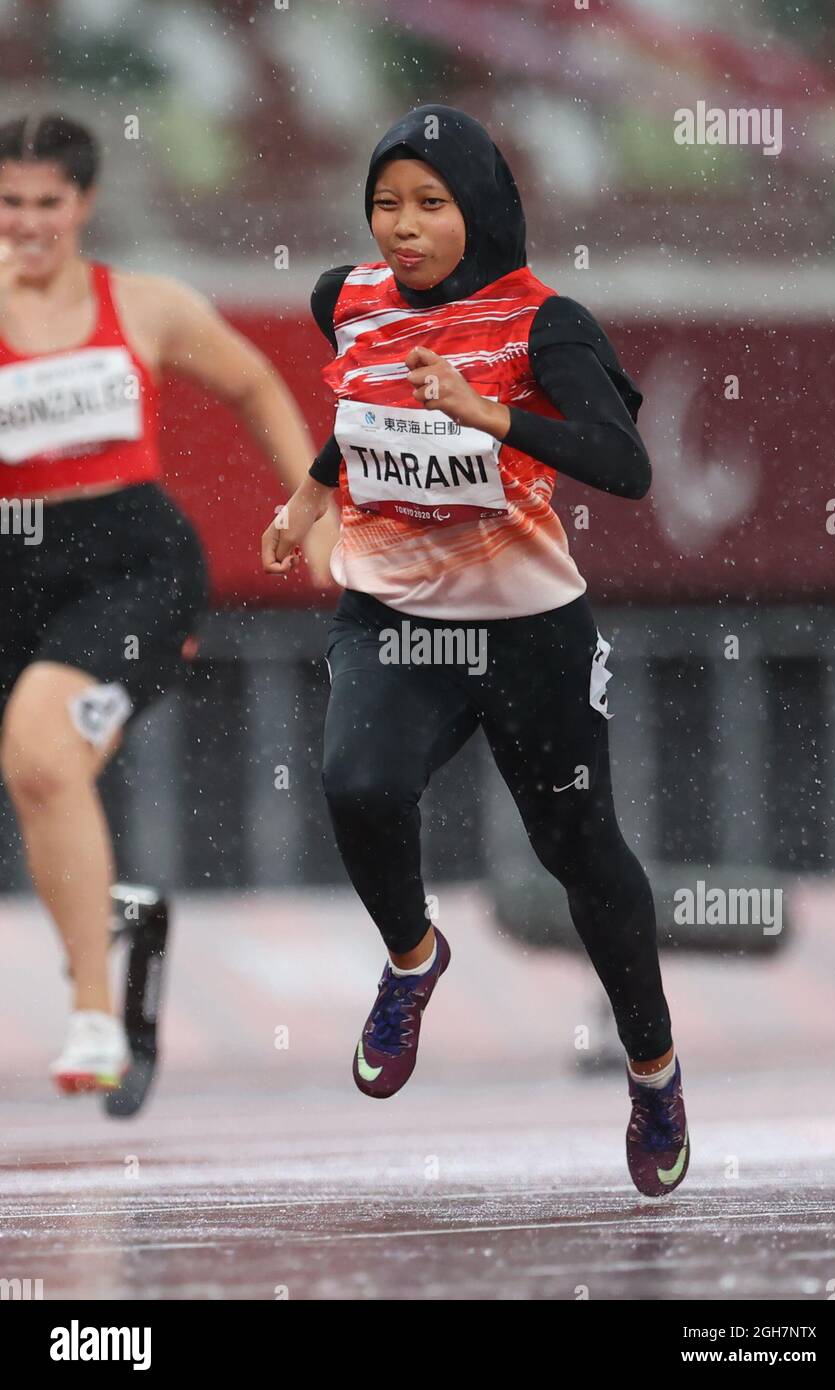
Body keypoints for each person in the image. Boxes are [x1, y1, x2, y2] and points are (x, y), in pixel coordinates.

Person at [261, 104, 689, 1197]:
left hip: (527, 629)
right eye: (385, 203)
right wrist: (309, 497)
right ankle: (413, 957)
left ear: (482, 209)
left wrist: (491, 417)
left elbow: (624, 467)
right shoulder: (341, 301)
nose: (402, 227)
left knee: (581, 854)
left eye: (430, 205)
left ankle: (652, 1073)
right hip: (392, 615)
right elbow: (366, 406)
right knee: (356, 784)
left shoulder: (547, 324)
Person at [0, 113, 338, 1095]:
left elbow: (255, 384)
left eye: (45, 205)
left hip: (127, 565)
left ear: (85, 204)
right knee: (44, 777)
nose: (25, 224)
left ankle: (95, 1022)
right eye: (8, 203)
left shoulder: (145, 304)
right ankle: (122, 920)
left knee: (40, 754)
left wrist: (308, 514)